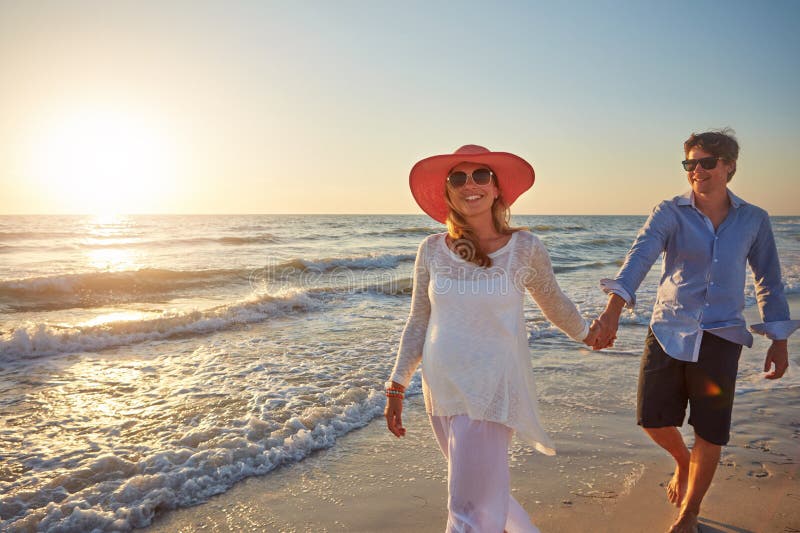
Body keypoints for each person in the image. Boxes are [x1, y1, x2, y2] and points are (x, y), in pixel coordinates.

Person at [384, 144, 603, 533]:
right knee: (479, 492)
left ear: (497, 188)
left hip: (491, 388)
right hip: (442, 386)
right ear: (448, 192)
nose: (471, 185)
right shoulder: (432, 249)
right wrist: (397, 384)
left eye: (481, 175)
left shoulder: (525, 248)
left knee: (466, 507)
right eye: (458, 178)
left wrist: (588, 333)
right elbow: (419, 319)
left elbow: (553, 301)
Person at [592, 130, 798, 533]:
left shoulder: (753, 219)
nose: (697, 171)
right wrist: (613, 309)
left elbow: (768, 279)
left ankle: (690, 512)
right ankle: (683, 462)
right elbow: (641, 255)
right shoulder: (669, 212)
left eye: (706, 163)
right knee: (651, 418)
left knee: (710, 430)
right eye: (690, 164)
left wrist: (780, 339)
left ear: (729, 167)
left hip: (722, 338)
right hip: (668, 329)